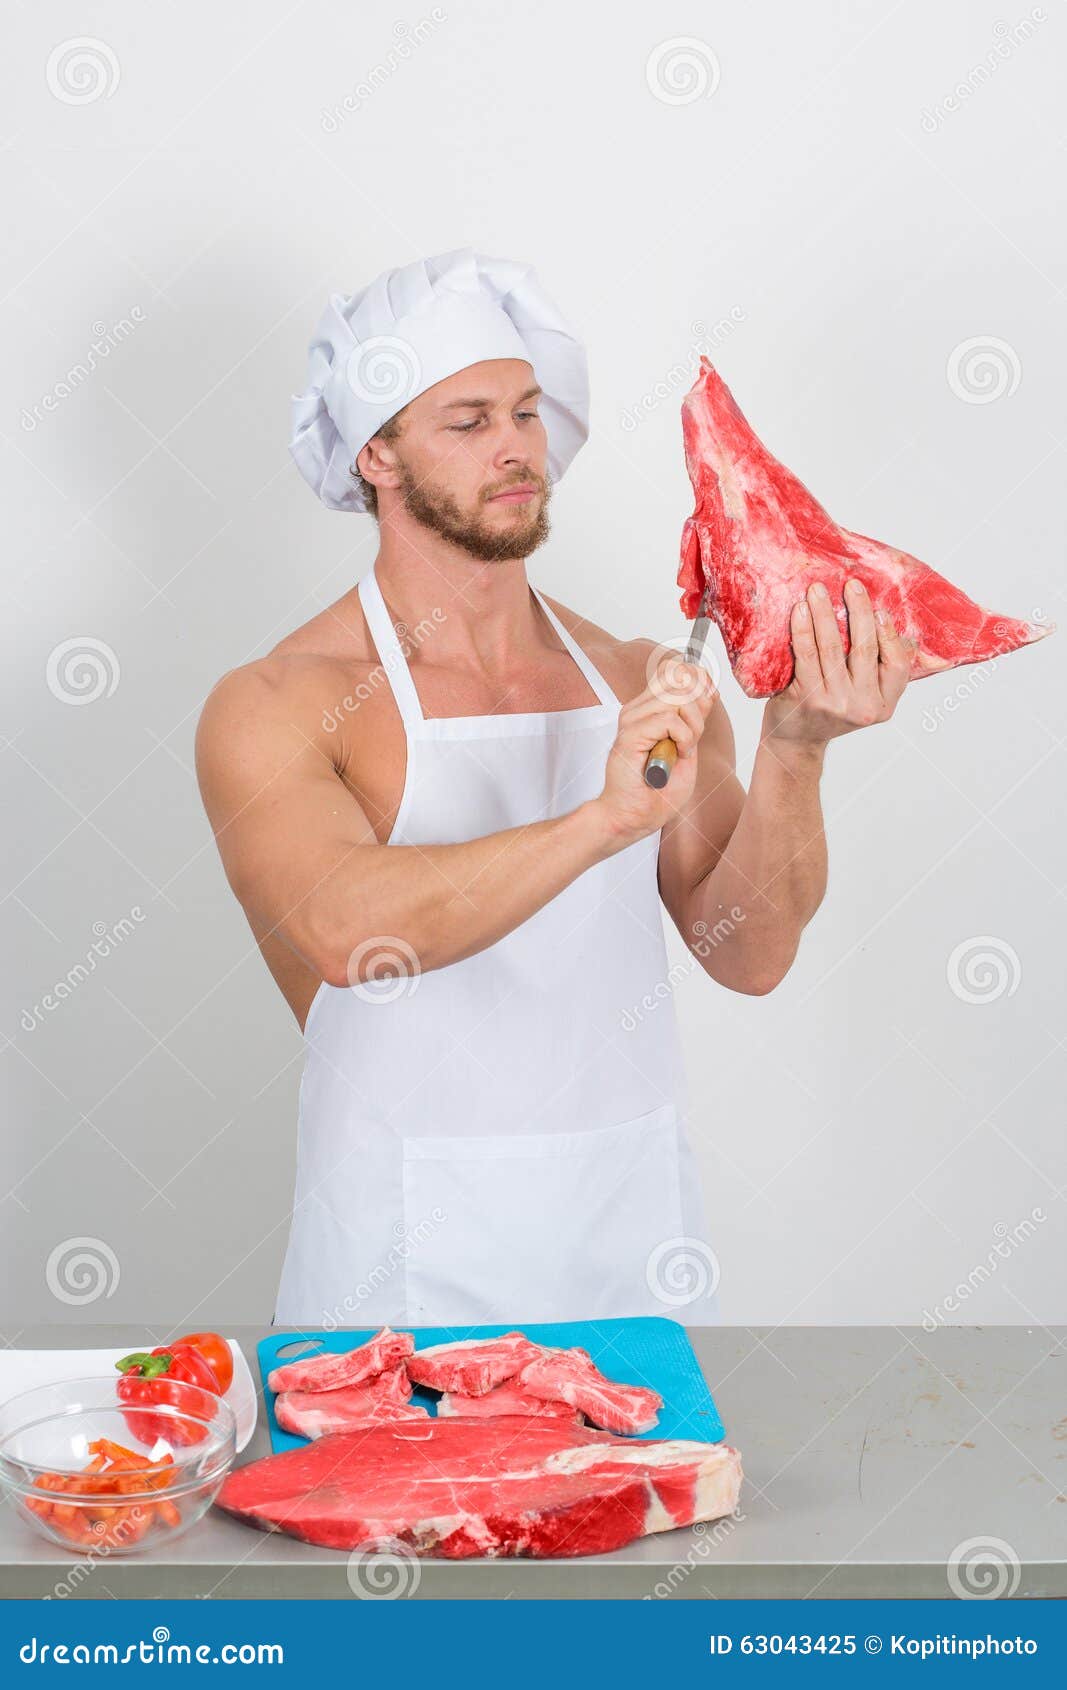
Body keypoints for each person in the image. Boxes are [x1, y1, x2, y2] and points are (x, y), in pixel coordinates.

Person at [196, 249, 913, 1328]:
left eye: (527, 413)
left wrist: (793, 753)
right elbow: (346, 930)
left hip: (624, 1240)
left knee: (655, 1500)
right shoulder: (279, 700)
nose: (516, 448)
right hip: (393, 1266)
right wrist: (606, 819)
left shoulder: (635, 677)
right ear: (375, 456)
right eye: (469, 420)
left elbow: (748, 952)